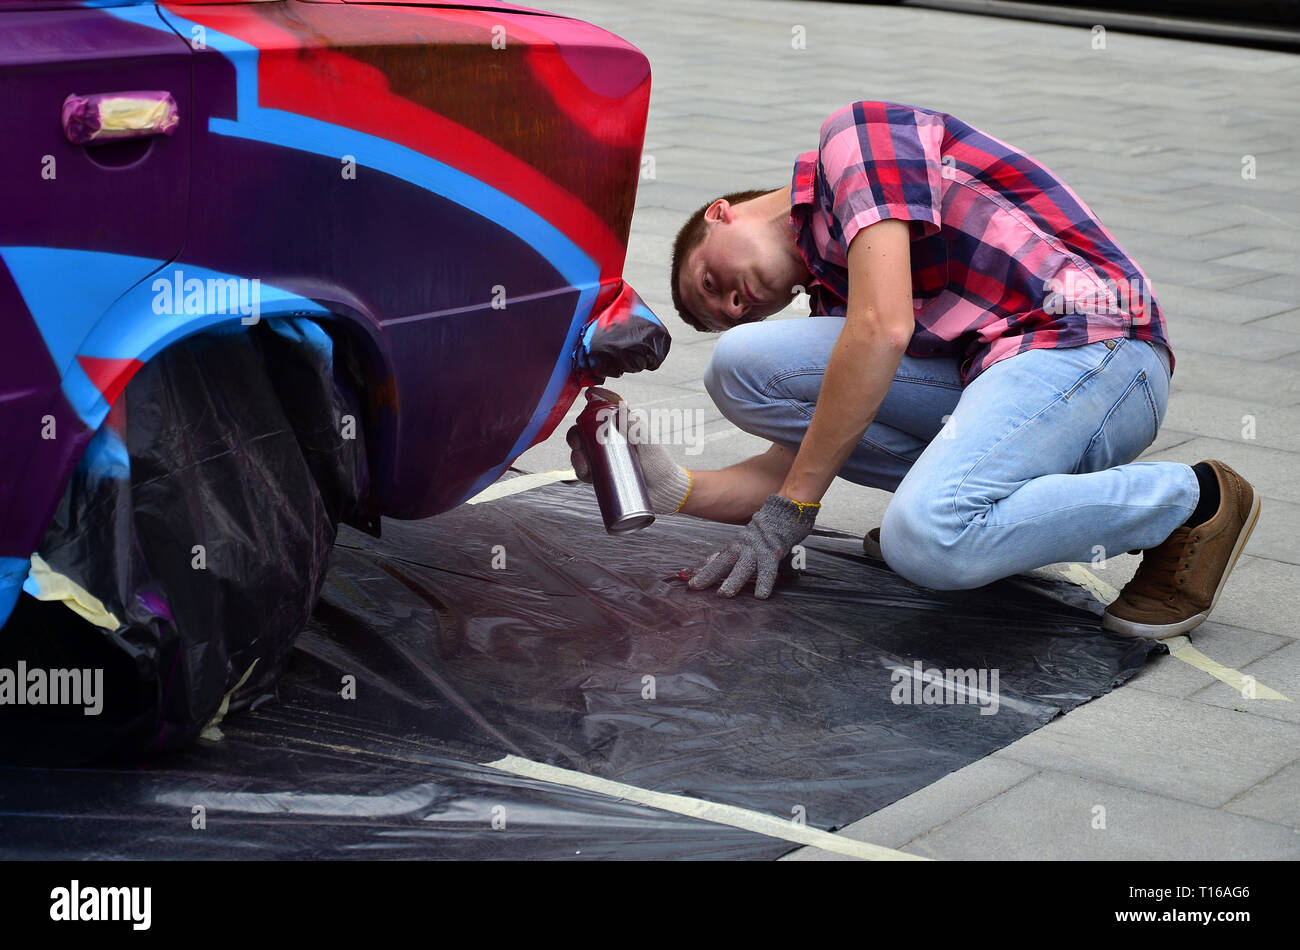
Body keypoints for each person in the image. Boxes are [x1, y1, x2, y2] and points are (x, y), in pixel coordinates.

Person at [569, 101, 1260, 640]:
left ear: (721, 215)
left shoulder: (855, 138)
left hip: (1093, 347)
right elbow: (798, 465)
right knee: (762, 372)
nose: (733, 303)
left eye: (710, 282)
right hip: (999, 374)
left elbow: (884, 330)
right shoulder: (838, 298)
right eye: (729, 310)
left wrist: (793, 515)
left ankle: (1191, 503)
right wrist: (668, 487)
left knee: (920, 537)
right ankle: (970, 506)